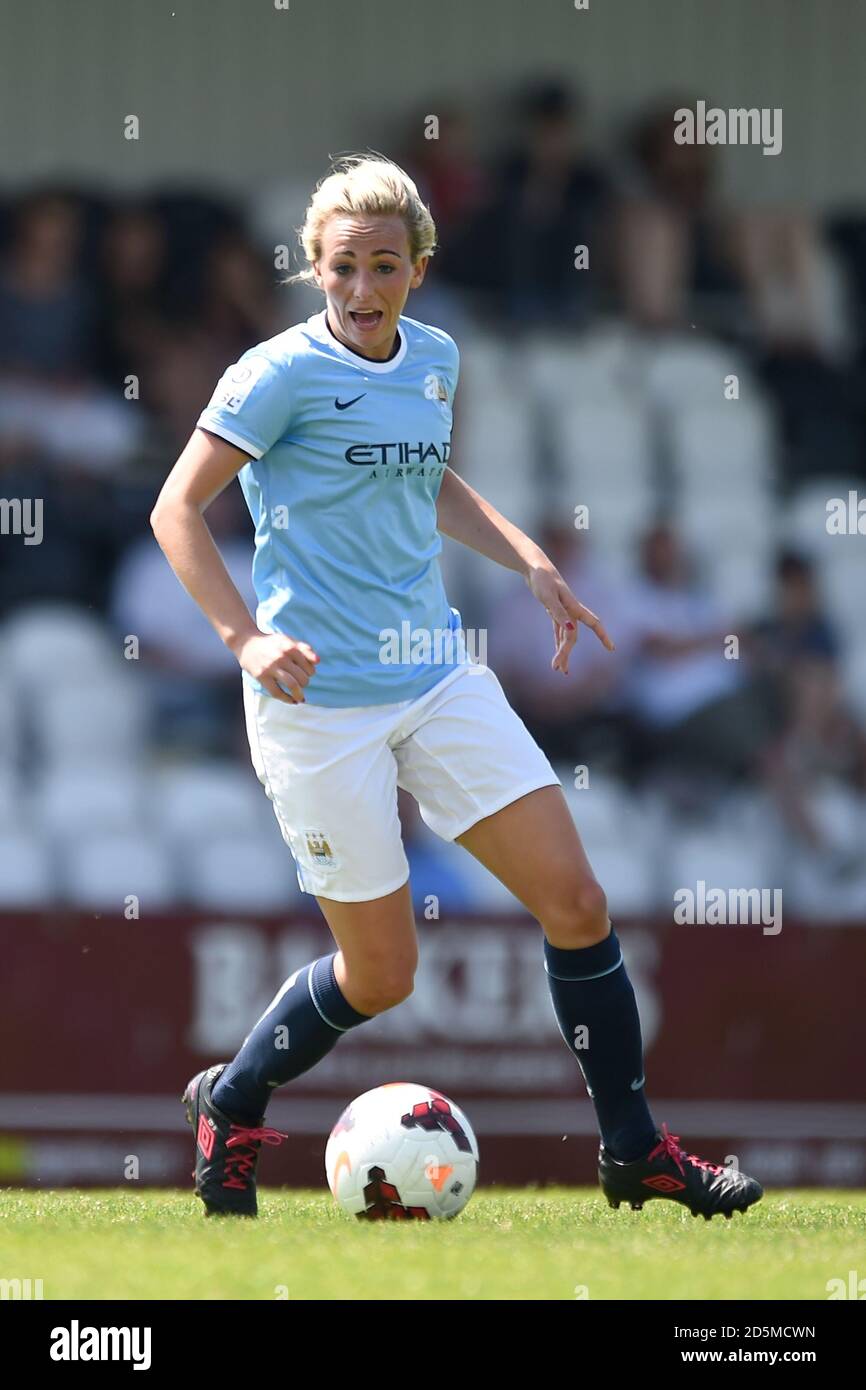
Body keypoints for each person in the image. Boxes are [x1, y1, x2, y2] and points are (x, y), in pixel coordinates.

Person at [150, 154, 762, 1221]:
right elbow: (175, 511)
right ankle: (234, 1101)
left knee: (573, 903)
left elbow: (422, 474)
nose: (360, 288)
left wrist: (525, 557)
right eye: (342, 268)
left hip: (434, 674)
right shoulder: (273, 374)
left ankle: (632, 1151)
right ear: (316, 268)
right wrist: (242, 639)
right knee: (381, 975)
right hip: (315, 704)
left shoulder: (433, 357)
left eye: (383, 266)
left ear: (416, 270)